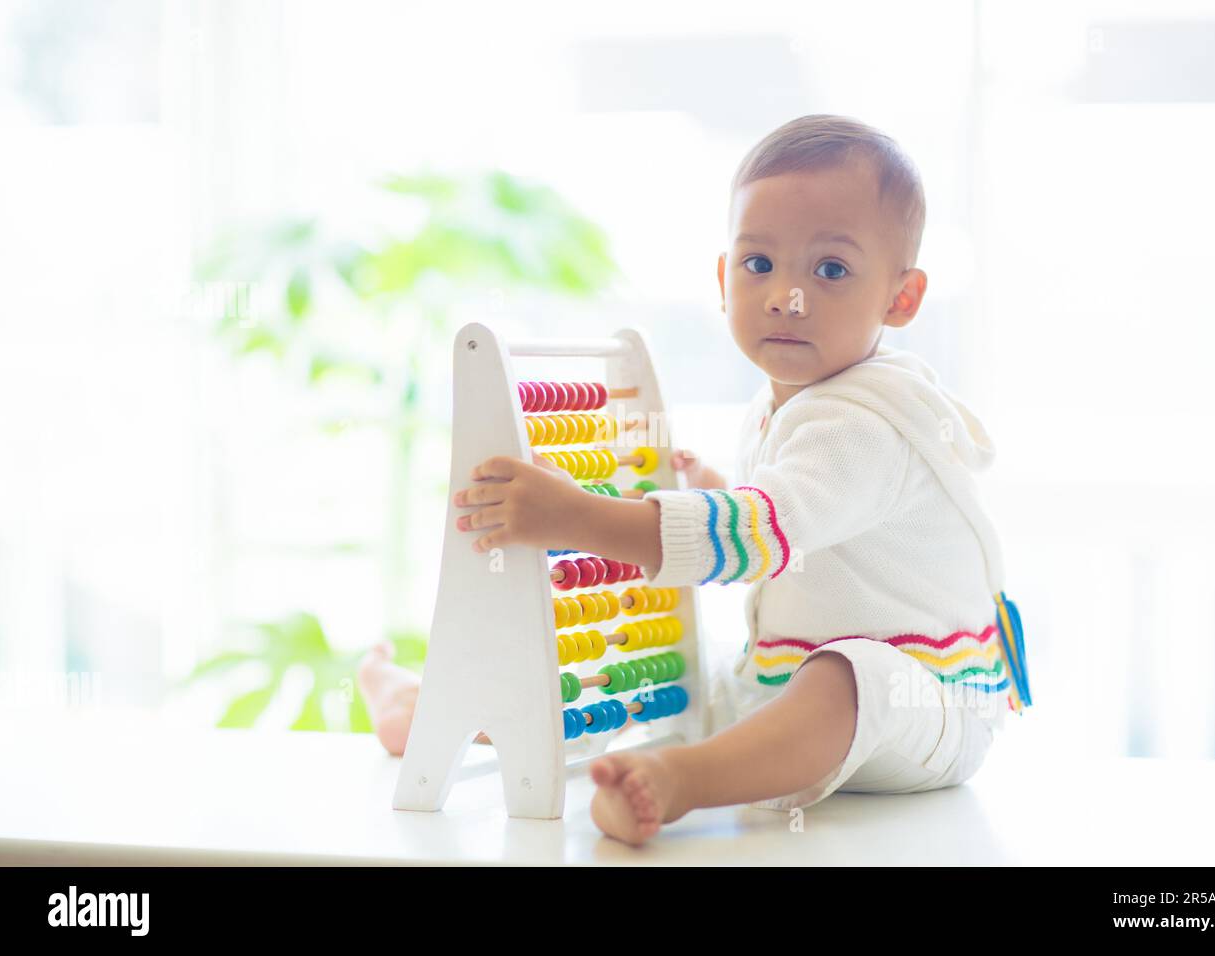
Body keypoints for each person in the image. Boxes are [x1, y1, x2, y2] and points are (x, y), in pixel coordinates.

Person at [359, 114, 1031, 846]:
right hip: (788, 686)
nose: (786, 297)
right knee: (674, 683)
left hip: (923, 701)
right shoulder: (788, 402)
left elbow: (757, 532)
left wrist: (577, 517)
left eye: (830, 270)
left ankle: (684, 780)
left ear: (900, 299)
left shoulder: (865, 424)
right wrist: (714, 485)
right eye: (759, 265)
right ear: (722, 278)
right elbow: (791, 519)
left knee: (850, 676)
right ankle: (431, 709)